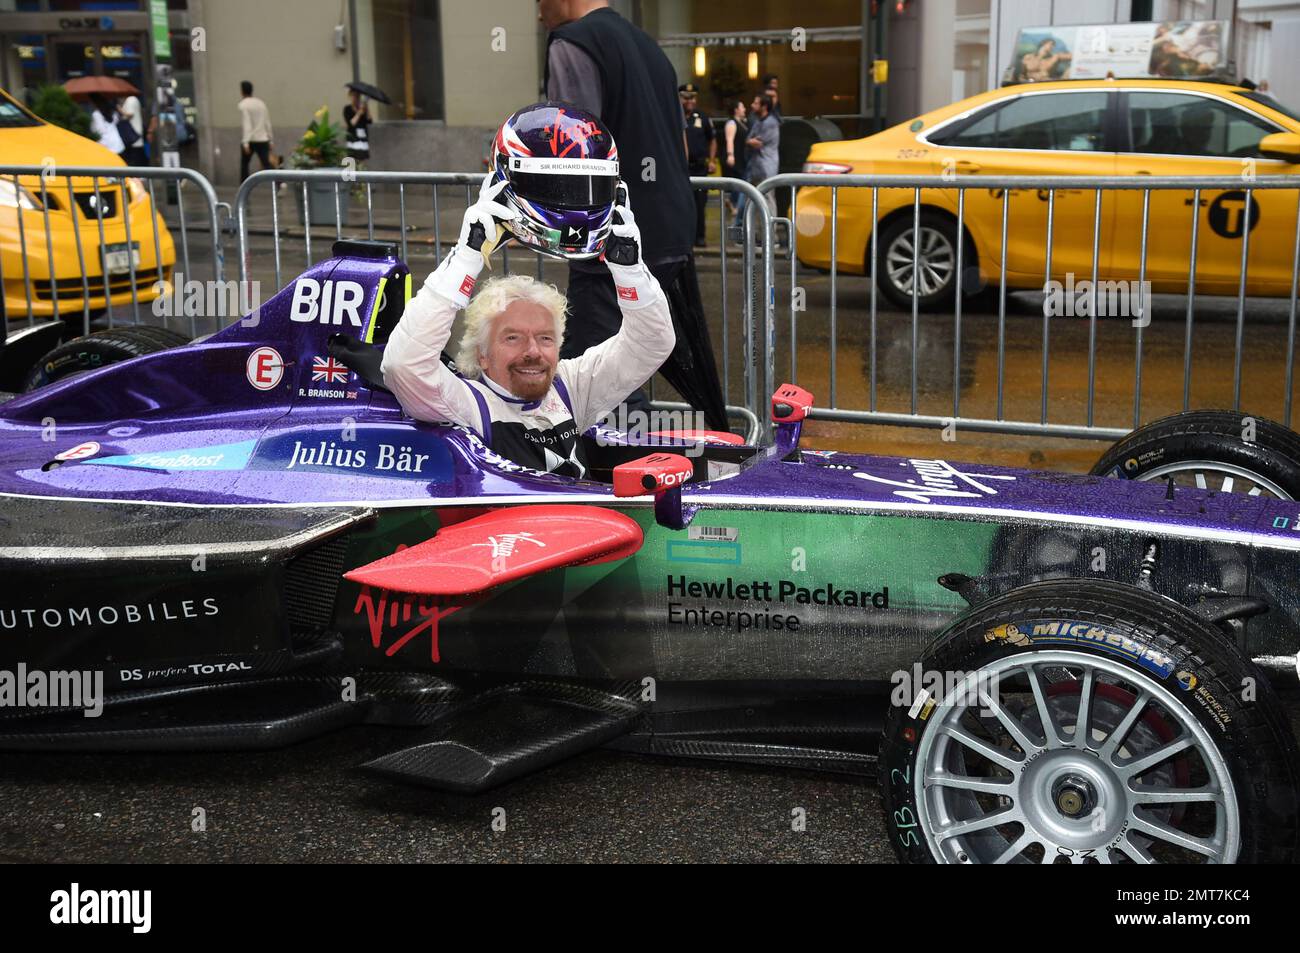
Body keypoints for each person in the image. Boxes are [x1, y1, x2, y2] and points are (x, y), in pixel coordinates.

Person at [381, 173, 674, 480]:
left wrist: (629, 272)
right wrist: (466, 257)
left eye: (545, 338)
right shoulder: (466, 404)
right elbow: (403, 366)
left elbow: (651, 343)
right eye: (513, 338)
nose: (532, 351)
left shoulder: (570, 386)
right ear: (482, 354)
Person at [540, 0, 729, 433]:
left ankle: (626, 482)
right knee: (634, 353)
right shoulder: (652, 50)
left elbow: (572, 147)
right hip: (669, 225)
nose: (537, 12)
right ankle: (663, 455)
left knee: (600, 381)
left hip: (612, 233)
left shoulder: (573, 42)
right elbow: (679, 149)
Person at [679, 83, 715, 247]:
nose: (689, 101)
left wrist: (712, 160)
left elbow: (712, 139)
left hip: (699, 168)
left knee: (700, 204)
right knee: (682, 204)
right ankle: (685, 237)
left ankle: (700, 237)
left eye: (692, 97)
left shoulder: (703, 117)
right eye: (686, 98)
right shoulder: (675, 117)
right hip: (681, 168)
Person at [746, 93, 780, 226]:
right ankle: (759, 235)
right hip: (756, 166)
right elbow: (749, 139)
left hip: (767, 167)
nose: (752, 105)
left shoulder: (771, 122)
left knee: (768, 198)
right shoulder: (758, 121)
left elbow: (757, 142)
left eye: (756, 103)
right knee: (755, 200)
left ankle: (772, 235)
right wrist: (750, 141)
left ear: (764, 106)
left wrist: (750, 141)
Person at [238, 80, 274, 182]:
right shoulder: (261, 103)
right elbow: (267, 122)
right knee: (266, 163)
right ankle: (279, 184)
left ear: (242, 91)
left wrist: (245, 143)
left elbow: (247, 124)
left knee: (244, 165)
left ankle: (243, 189)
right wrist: (271, 139)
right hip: (263, 138)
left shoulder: (243, 105)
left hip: (250, 140)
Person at [722, 98, 748, 228]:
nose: (744, 109)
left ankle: (733, 202)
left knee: (742, 181)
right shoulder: (732, 123)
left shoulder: (742, 122)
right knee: (740, 181)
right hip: (736, 156)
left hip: (743, 157)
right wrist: (730, 155)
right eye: (742, 107)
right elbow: (730, 140)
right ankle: (733, 202)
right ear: (736, 109)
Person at [343, 88, 371, 164]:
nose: (356, 98)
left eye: (358, 96)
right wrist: (359, 113)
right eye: (354, 96)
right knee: (352, 160)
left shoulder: (362, 109)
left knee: (363, 159)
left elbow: (369, 121)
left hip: (362, 137)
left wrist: (366, 108)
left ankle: (362, 172)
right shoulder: (347, 109)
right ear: (350, 96)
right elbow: (351, 123)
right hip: (353, 137)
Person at [118, 92, 147, 165]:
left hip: (132, 136)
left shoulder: (130, 100)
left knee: (135, 161)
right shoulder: (135, 99)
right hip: (136, 136)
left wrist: (119, 109)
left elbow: (130, 114)